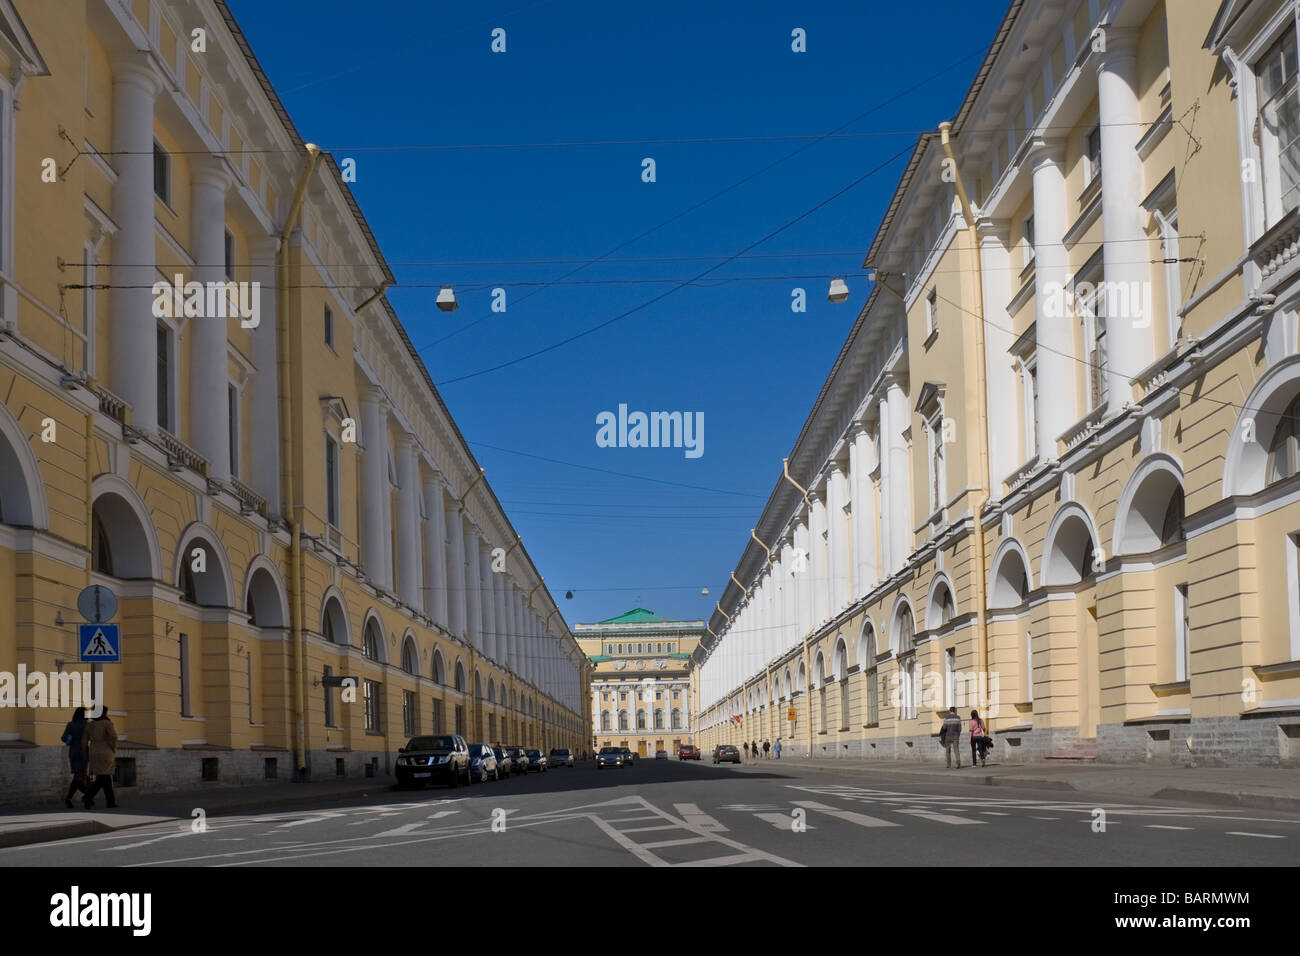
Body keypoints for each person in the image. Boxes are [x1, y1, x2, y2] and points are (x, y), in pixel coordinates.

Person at [82, 710, 118, 809]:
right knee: (104, 777)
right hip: (105, 750)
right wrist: (113, 748)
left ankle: (110, 802)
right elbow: (113, 736)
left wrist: (86, 754)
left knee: (104, 778)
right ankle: (88, 796)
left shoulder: (89, 725)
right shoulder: (107, 723)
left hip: (93, 751)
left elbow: (84, 741)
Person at [60, 707, 90, 809]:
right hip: (84, 751)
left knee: (78, 776)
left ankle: (69, 798)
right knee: (82, 776)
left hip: (74, 751)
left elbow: (64, 738)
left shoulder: (70, 724)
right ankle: (87, 797)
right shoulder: (87, 725)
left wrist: (71, 740)